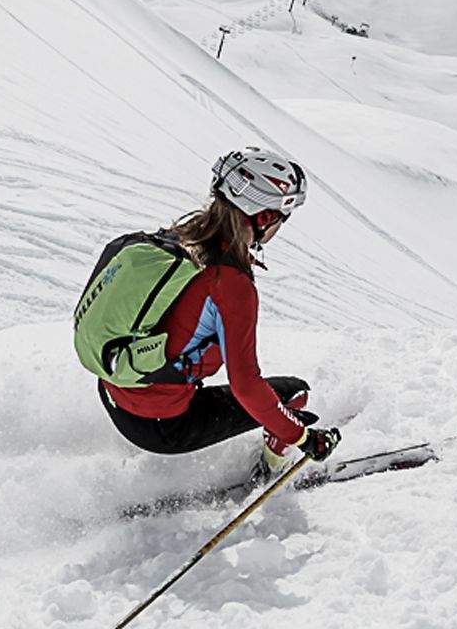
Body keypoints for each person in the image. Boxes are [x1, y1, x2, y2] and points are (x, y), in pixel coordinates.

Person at [95, 148, 340, 478]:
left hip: (113, 392)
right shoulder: (231, 286)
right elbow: (246, 385)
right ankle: (271, 470)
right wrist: (303, 438)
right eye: (281, 218)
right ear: (263, 218)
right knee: (294, 394)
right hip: (163, 427)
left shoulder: (179, 239)